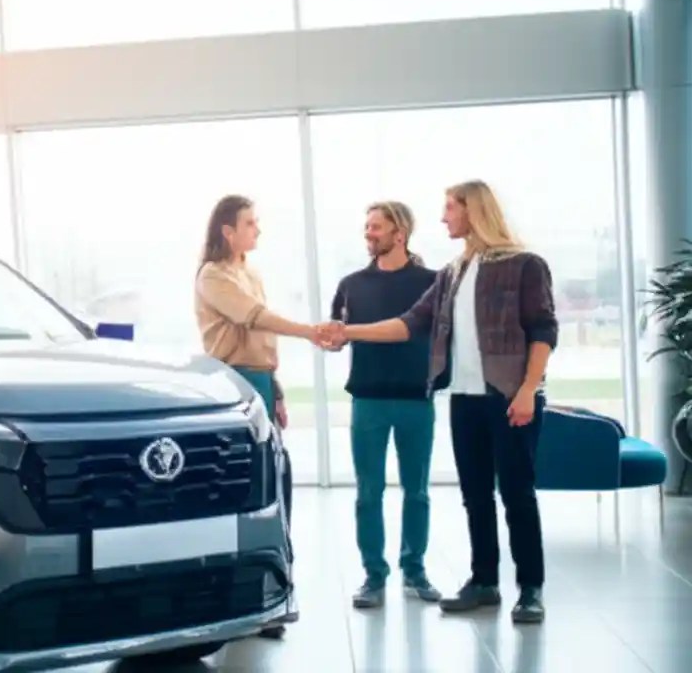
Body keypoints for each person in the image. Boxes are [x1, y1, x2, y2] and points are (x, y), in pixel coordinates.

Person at [321, 180, 557, 625]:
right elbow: (409, 324)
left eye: (450, 208)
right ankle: (484, 581)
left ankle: (530, 589)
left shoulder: (525, 265)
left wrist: (529, 388)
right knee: (475, 496)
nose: (444, 217)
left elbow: (543, 328)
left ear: (474, 211)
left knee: (517, 495)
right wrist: (346, 331)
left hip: (509, 397)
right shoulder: (452, 273)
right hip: (464, 400)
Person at [194, 194, 322, 638]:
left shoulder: (250, 272)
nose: (257, 230)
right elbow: (255, 319)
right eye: (250, 222)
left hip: (262, 381)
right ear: (227, 231)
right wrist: (310, 332)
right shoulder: (213, 276)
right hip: (233, 382)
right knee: (247, 491)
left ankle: (272, 589)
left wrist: (279, 389)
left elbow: (263, 338)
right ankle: (247, 599)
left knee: (277, 486)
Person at [327, 201, 441, 609]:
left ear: (400, 232)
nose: (369, 233)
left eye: (376, 226)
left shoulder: (434, 281)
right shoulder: (351, 284)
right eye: (366, 227)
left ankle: (415, 570)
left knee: (418, 491)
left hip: (416, 399)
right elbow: (336, 337)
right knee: (367, 492)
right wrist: (331, 337)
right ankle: (374, 576)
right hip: (368, 400)